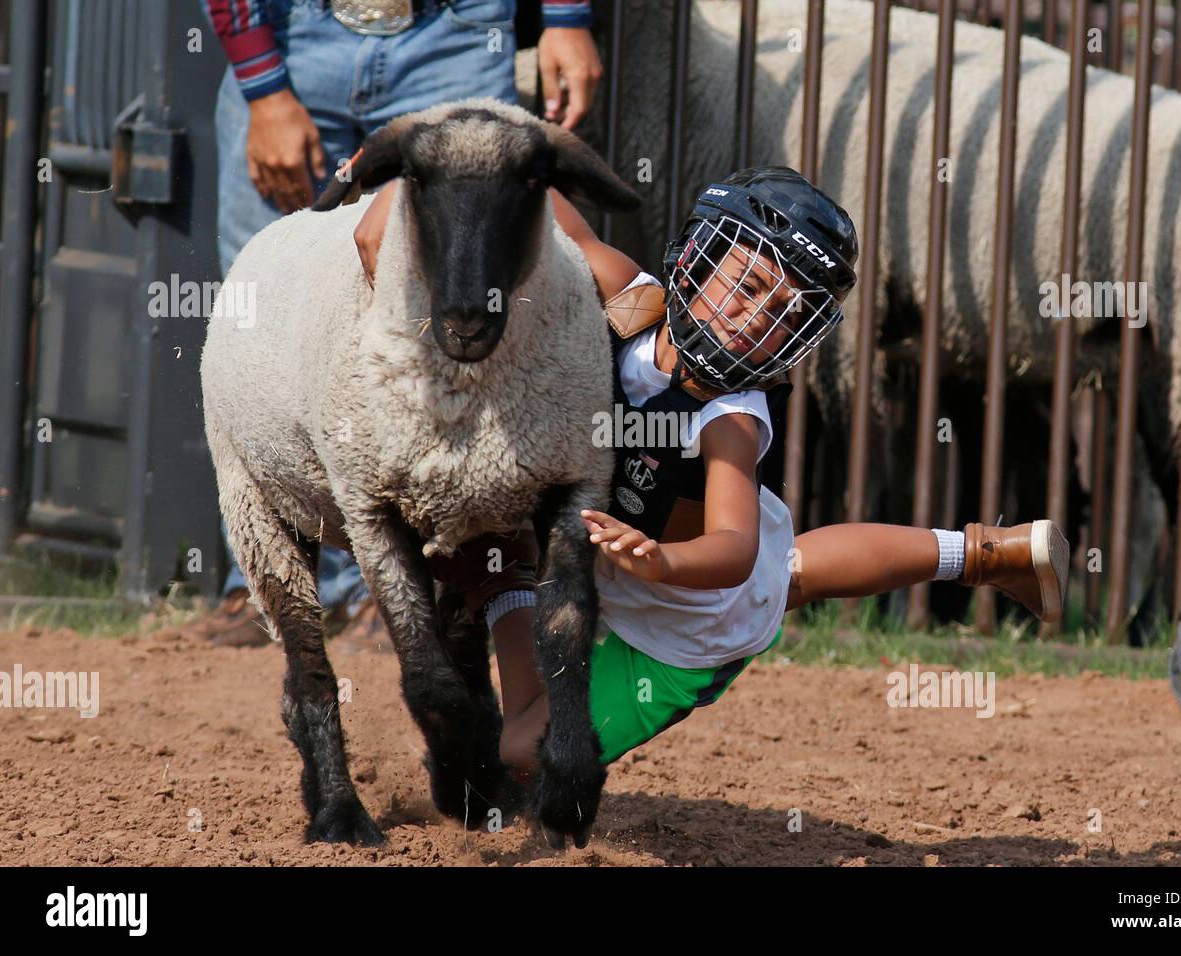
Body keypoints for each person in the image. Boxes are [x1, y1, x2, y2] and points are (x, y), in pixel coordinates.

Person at [356, 165, 1071, 772]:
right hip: (634, 546)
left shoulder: (732, 418)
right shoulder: (632, 303)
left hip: (681, 628)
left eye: (786, 313)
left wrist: (663, 561)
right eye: (749, 284)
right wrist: (436, 170)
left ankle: (983, 553)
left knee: (515, 754)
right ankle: (987, 552)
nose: (758, 317)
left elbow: (731, 552)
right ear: (700, 254)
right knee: (788, 572)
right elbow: (553, 218)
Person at [194, 0, 602, 646]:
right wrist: (263, 85)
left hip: (458, 34)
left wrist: (567, 16)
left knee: (464, 328)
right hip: (295, 38)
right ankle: (272, 579)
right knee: (266, 315)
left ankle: (400, 588)